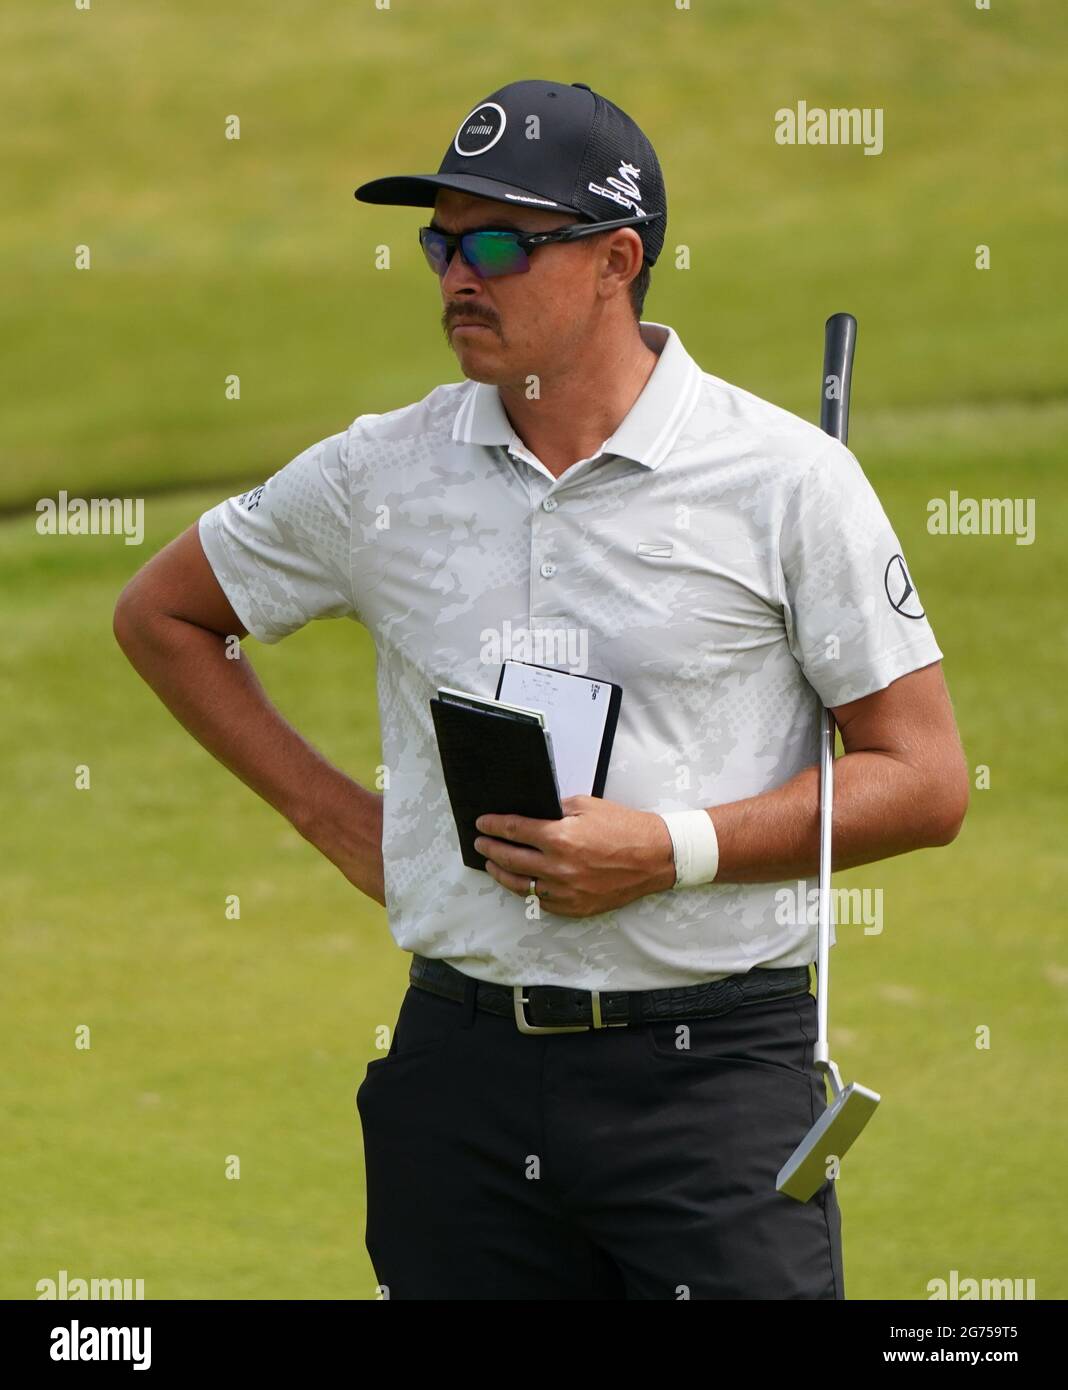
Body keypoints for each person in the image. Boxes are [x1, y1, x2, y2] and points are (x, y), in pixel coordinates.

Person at [113, 78, 970, 1300]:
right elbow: (164, 615)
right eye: (441, 242)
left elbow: (926, 780)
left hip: (712, 1076)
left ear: (618, 258)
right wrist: (343, 823)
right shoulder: (378, 471)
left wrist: (669, 849)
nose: (460, 274)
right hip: (459, 1073)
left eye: (503, 242)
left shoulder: (786, 480)